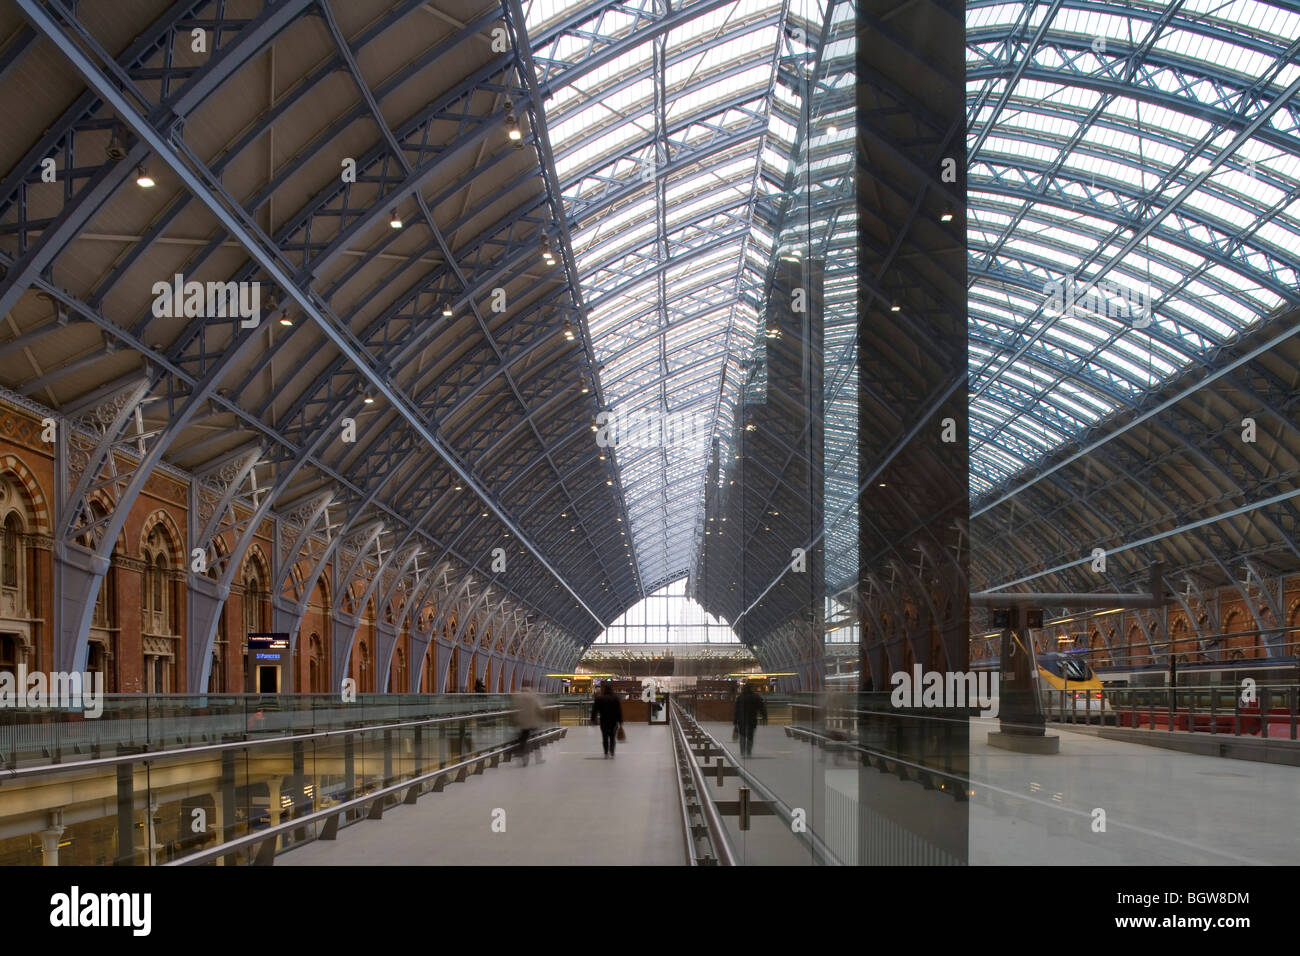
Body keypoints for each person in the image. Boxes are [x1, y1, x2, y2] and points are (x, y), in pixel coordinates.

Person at [513, 679, 546, 766]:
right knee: (536, 740)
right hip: (533, 721)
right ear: (529, 686)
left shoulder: (517, 696)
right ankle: (538, 758)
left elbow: (514, 708)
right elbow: (539, 708)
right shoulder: (533, 695)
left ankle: (525, 759)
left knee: (523, 741)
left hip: (522, 723)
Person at [733, 681, 767, 758]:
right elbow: (761, 708)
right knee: (750, 736)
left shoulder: (740, 697)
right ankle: (748, 751)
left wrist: (735, 722)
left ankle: (742, 752)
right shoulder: (756, 697)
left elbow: (736, 711)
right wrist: (764, 717)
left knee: (742, 736)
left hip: (741, 720)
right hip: (752, 720)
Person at [590, 682, 624, 758]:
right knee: (612, 736)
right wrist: (620, 721)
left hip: (604, 720)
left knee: (604, 737)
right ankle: (612, 751)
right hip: (613, 721)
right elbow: (619, 711)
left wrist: (593, 719)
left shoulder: (599, 699)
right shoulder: (615, 698)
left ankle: (606, 752)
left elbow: (594, 710)